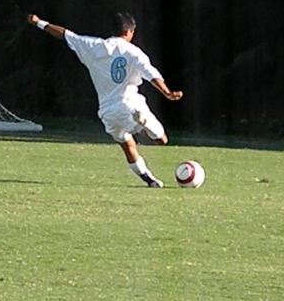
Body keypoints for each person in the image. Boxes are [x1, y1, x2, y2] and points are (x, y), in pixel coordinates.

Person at [26, 11, 183, 187]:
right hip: (131, 104)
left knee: (128, 146)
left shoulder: (94, 46)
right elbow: (152, 75)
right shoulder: (135, 53)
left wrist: (38, 22)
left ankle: (150, 180)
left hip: (108, 112)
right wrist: (167, 92)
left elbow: (65, 34)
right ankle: (143, 121)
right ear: (129, 32)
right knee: (162, 140)